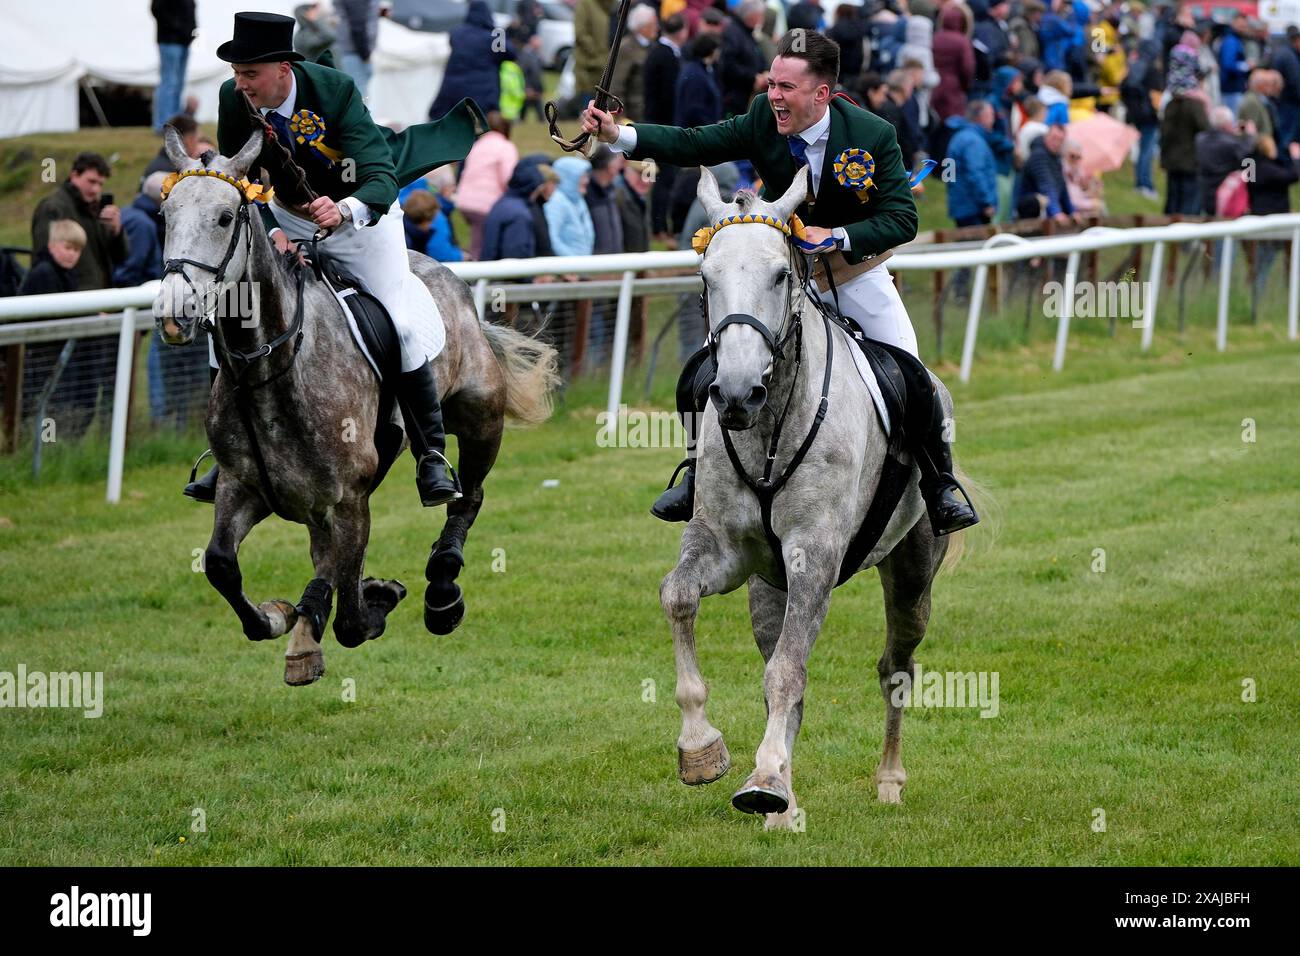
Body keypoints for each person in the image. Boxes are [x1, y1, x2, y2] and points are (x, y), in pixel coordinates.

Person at [580, 28, 978, 535]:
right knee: (706, 366)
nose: (773, 96)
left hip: (854, 274)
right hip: (779, 278)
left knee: (911, 373)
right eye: (771, 83)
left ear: (822, 94)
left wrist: (835, 235)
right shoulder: (760, 118)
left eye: (785, 87)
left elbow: (903, 219)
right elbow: (695, 141)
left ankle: (939, 484)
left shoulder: (873, 134)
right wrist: (620, 136)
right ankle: (695, 471)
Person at [181, 11, 484, 506]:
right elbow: (239, 177)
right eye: (236, 73)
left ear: (283, 68)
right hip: (288, 215)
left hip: (364, 218)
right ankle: (224, 451)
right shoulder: (233, 98)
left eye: (250, 74)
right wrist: (275, 229)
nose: (241, 84)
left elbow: (381, 173)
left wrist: (344, 208)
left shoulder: (336, 91)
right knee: (232, 309)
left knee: (401, 323)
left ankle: (431, 455)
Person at [428, 1, 515, 120]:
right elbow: (510, 54)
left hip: (453, 91)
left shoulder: (457, 33)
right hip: (483, 93)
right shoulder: (493, 37)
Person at [644, 14, 688, 242]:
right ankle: (657, 226)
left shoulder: (663, 52)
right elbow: (668, 96)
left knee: (656, 177)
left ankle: (657, 224)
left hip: (656, 122)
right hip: (659, 126)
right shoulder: (665, 55)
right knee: (658, 178)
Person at [454, 111, 519, 260]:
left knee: (477, 236)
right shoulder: (505, 147)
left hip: (465, 200)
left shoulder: (477, 145)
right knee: (483, 244)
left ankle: (476, 267)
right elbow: (508, 178)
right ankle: (480, 273)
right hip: (486, 204)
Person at [480, 157, 558, 261]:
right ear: (535, 188)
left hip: (491, 271)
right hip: (505, 275)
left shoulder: (502, 203)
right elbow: (516, 258)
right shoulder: (520, 215)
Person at [945, 100, 1000, 227]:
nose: (993, 120)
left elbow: (948, 175)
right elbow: (976, 173)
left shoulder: (958, 137)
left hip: (961, 206)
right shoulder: (973, 141)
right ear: (981, 117)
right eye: (991, 114)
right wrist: (987, 202)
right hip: (974, 208)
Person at [1195, 105, 1256, 217]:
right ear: (1226, 124)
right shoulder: (1230, 144)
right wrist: (1250, 136)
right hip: (1226, 190)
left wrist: (1231, 134)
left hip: (1206, 188)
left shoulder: (1200, 139)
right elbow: (1247, 156)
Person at [151, 0, 197, 134]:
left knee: (178, 84)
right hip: (169, 40)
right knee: (169, 83)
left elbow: (191, 10)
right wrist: (175, 26)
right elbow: (156, 9)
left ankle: (176, 124)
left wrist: (192, 31)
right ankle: (163, 124)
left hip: (184, 41)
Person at [1015, 122, 1076, 222]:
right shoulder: (1038, 156)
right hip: (1028, 209)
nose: (1056, 143)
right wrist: (1056, 212)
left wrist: (1072, 211)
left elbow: (1062, 187)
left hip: (1044, 208)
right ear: (1046, 137)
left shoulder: (1055, 158)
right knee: (1041, 200)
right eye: (1054, 138)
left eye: (1060, 140)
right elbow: (1047, 185)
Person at [610, 4, 658, 123]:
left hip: (648, 113)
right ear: (643, 28)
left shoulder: (653, 46)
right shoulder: (626, 48)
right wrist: (621, 117)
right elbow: (616, 86)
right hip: (633, 115)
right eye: (653, 24)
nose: (657, 28)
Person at [720, 0, 768, 118]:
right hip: (733, 97)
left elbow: (758, 57)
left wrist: (764, 73)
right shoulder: (733, 33)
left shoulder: (748, 33)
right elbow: (728, 65)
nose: (762, 20)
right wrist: (753, 77)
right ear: (751, 16)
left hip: (746, 94)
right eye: (760, 15)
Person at [402, 189, 464, 262]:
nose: (432, 224)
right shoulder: (408, 240)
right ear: (426, 221)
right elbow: (439, 253)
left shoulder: (404, 228)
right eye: (433, 219)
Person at [676, 34, 724, 128]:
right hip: (695, 133)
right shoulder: (695, 74)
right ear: (712, 51)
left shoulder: (704, 70)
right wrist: (713, 127)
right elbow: (694, 110)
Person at [335, 0, 380, 96]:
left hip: (356, 50)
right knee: (361, 93)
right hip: (357, 51)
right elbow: (357, 24)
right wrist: (365, 54)